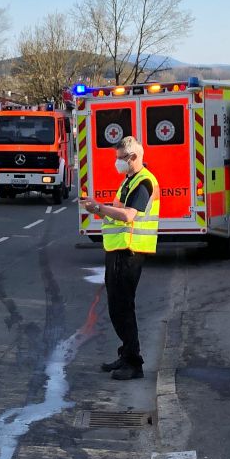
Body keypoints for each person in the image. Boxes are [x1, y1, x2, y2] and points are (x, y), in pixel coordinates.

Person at [81, 135, 158, 381]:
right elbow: (119, 211)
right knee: (118, 306)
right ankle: (126, 354)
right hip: (119, 249)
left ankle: (134, 363)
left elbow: (128, 216)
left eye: (121, 158)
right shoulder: (130, 180)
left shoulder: (144, 182)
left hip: (129, 251)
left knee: (122, 307)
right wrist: (100, 207)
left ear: (133, 157)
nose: (117, 163)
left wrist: (98, 208)